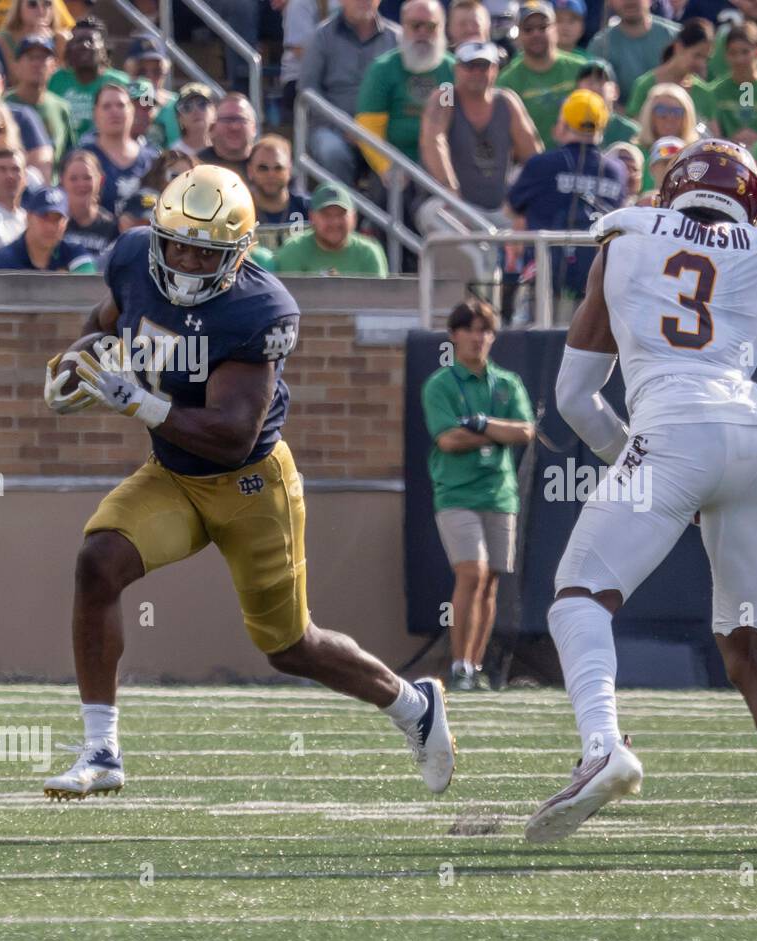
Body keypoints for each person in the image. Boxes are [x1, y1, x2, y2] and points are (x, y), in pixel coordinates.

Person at [40, 164, 455, 801]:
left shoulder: (258, 308)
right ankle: (101, 748)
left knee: (290, 646)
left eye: (201, 252)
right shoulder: (130, 259)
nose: (181, 259)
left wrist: (138, 404)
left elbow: (232, 434)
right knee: (98, 561)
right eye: (174, 242)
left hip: (250, 485)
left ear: (236, 255)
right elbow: (104, 319)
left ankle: (411, 704)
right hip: (173, 476)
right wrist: (81, 361)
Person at [528, 137, 757, 869]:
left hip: (672, 430)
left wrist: (643, 473)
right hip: (754, 441)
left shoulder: (623, 237)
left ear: (668, 190)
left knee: (578, 597)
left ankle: (601, 746)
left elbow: (573, 400)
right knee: (749, 644)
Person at [422, 298, 535, 692]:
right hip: (456, 493)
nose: (478, 337)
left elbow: (525, 431)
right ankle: (457, 665)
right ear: (453, 336)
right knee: (472, 571)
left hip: (500, 493)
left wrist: (482, 423)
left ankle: (473, 665)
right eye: (470, 329)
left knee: (490, 581)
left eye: (485, 330)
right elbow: (448, 439)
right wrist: (494, 431)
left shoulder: (507, 382)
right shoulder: (440, 384)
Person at [506, 88, 625, 315]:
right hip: (596, 284)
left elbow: (510, 208)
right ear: (601, 127)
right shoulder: (616, 171)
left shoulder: (541, 165)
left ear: (562, 125)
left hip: (544, 282)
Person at [419, 39, 539, 230]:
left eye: (483, 66)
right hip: (457, 206)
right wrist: (450, 190)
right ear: (457, 68)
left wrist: (520, 200)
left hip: (501, 210)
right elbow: (433, 140)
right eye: (470, 65)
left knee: (535, 217)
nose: (477, 72)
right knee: (432, 213)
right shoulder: (447, 93)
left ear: (495, 69)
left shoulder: (506, 100)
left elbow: (533, 156)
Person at [299, 0, 398, 185]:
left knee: (402, 154)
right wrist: (343, 126)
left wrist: (375, 130)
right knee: (333, 152)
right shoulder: (321, 36)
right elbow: (308, 91)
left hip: (383, 130)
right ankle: (342, 211)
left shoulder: (397, 38)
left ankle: (380, 213)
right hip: (332, 128)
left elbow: (403, 92)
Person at [356, 0, 455, 176]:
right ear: (403, 27)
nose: (423, 33)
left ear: (442, 28)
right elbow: (368, 127)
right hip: (395, 163)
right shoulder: (382, 69)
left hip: (446, 163)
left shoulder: (454, 70)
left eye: (431, 26)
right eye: (415, 25)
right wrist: (386, 167)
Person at [496, 1, 586, 150]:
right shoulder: (507, 80)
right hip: (531, 164)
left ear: (555, 28)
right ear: (518, 35)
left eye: (543, 27)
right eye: (528, 29)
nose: (536, 34)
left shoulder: (581, 68)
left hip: (577, 160)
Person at [274, 181, 389, 276]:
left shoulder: (369, 253)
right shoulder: (293, 252)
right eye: (326, 215)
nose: (334, 222)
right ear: (312, 217)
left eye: (341, 214)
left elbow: (380, 300)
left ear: (354, 218)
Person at [627, 18, 716, 134]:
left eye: (705, 58)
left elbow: (713, 137)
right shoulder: (645, 85)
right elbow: (634, 132)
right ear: (679, 48)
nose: (701, 64)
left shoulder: (704, 92)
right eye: (697, 55)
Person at [46, 16, 128, 141]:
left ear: (103, 49)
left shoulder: (121, 82)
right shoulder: (54, 81)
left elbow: (147, 101)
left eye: (91, 41)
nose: (84, 45)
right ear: (68, 50)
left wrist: (150, 93)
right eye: (78, 41)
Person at [82, 81, 158, 214]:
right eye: (106, 106)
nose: (114, 111)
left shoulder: (153, 159)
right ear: (95, 114)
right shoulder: (82, 158)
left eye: (121, 105)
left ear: (131, 111)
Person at [586, 0, 681, 104]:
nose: (630, 1)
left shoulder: (678, 39)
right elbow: (596, 98)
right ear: (610, 2)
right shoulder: (600, 46)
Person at [0, 184, 96, 271]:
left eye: (57, 219)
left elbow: (89, 290)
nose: (50, 227)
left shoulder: (75, 252)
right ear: (28, 218)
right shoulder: (5, 260)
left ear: (66, 222)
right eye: (44, 217)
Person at [4, 35, 74, 163]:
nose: (36, 63)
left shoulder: (61, 107)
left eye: (43, 58)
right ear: (16, 66)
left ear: (53, 66)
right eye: (30, 57)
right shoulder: (2, 106)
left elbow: (68, 155)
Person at [247, 133, 310, 243]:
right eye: (263, 168)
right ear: (250, 171)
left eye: (278, 168)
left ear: (289, 171)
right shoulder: (240, 211)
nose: (271, 174)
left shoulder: (308, 209)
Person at [635, 82, 698, 189]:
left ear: (687, 117)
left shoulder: (696, 156)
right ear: (650, 116)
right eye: (661, 111)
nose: (669, 117)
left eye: (677, 112)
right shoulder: (637, 155)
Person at [59, 147, 116, 260]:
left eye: (87, 178)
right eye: (73, 178)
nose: (81, 184)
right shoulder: (55, 223)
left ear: (101, 180)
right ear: (62, 181)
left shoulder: (112, 227)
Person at [0, 0, 68, 79]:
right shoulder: (2, 40)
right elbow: (16, 80)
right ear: (19, 7)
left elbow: (63, 81)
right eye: (32, 4)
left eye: (47, 4)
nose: (41, 10)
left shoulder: (61, 39)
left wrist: (57, 49)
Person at [576, 58, 640, 145]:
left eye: (600, 79)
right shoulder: (568, 127)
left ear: (615, 91)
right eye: (588, 80)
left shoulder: (630, 132)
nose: (593, 85)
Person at [197, 92, 258, 180]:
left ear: (254, 128)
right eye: (226, 120)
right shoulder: (197, 168)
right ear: (212, 128)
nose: (234, 127)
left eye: (241, 119)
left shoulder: (268, 167)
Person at [170, 82, 214, 157]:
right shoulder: (173, 154)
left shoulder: (224, 148)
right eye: (187, 107)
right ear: (180, 119)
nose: (196, 111)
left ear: (214, 111)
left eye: (202, 104)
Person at [634, 132, 681, 202]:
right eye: (666, 163)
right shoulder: (641, 204)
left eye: (676, 164)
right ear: (652, 168)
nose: (670, 168)